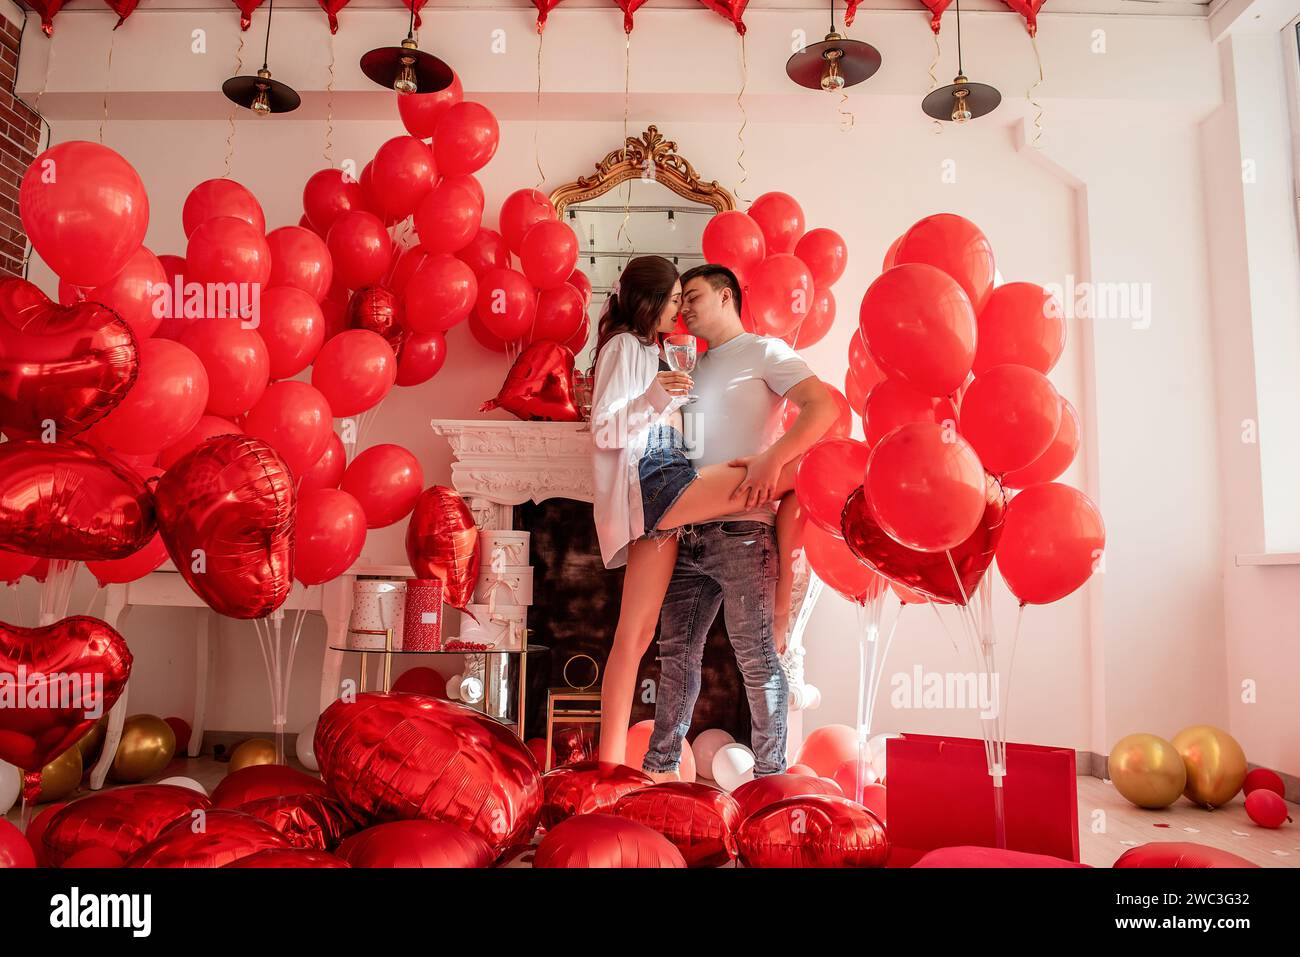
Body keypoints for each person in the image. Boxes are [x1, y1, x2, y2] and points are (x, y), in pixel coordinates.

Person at [589, 256, 836, 775]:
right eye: (676, 301)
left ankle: (771, 778)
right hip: (682, 522)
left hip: (740, 527)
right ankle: (645, 770)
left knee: (755, 656)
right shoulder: (675, 361)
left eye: (691, 299)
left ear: (726, 296)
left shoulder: (764, 350)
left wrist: (772, 459)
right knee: (669, 654)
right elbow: (621, 428)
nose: (683, 313)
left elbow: (824, 407)